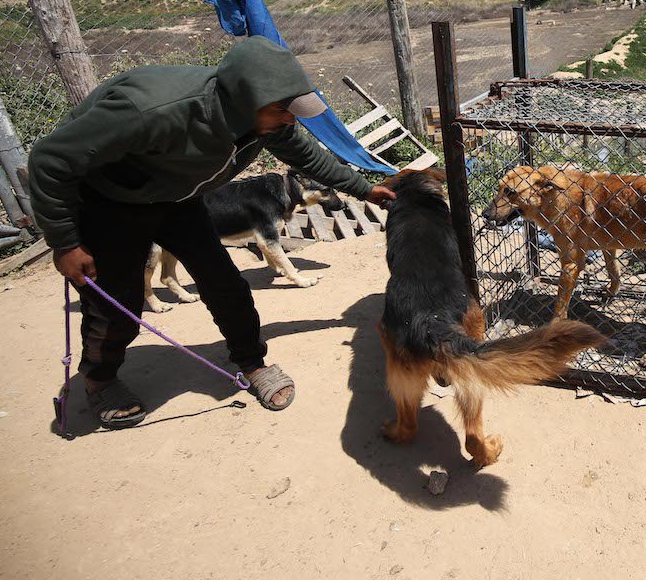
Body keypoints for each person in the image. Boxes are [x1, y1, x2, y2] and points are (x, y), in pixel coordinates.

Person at [28, 36, 396, 428]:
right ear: (243, 99)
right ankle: (99, 380)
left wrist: (365, 189)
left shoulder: (263, 120)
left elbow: (306, 155)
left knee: (225, 284)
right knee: (116, 305)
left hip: (177, 199)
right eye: (283, 110)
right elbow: (51, 160)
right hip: (111, 202)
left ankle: (252, 363)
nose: (292, 118)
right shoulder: (152, 111)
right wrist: (65, 241)